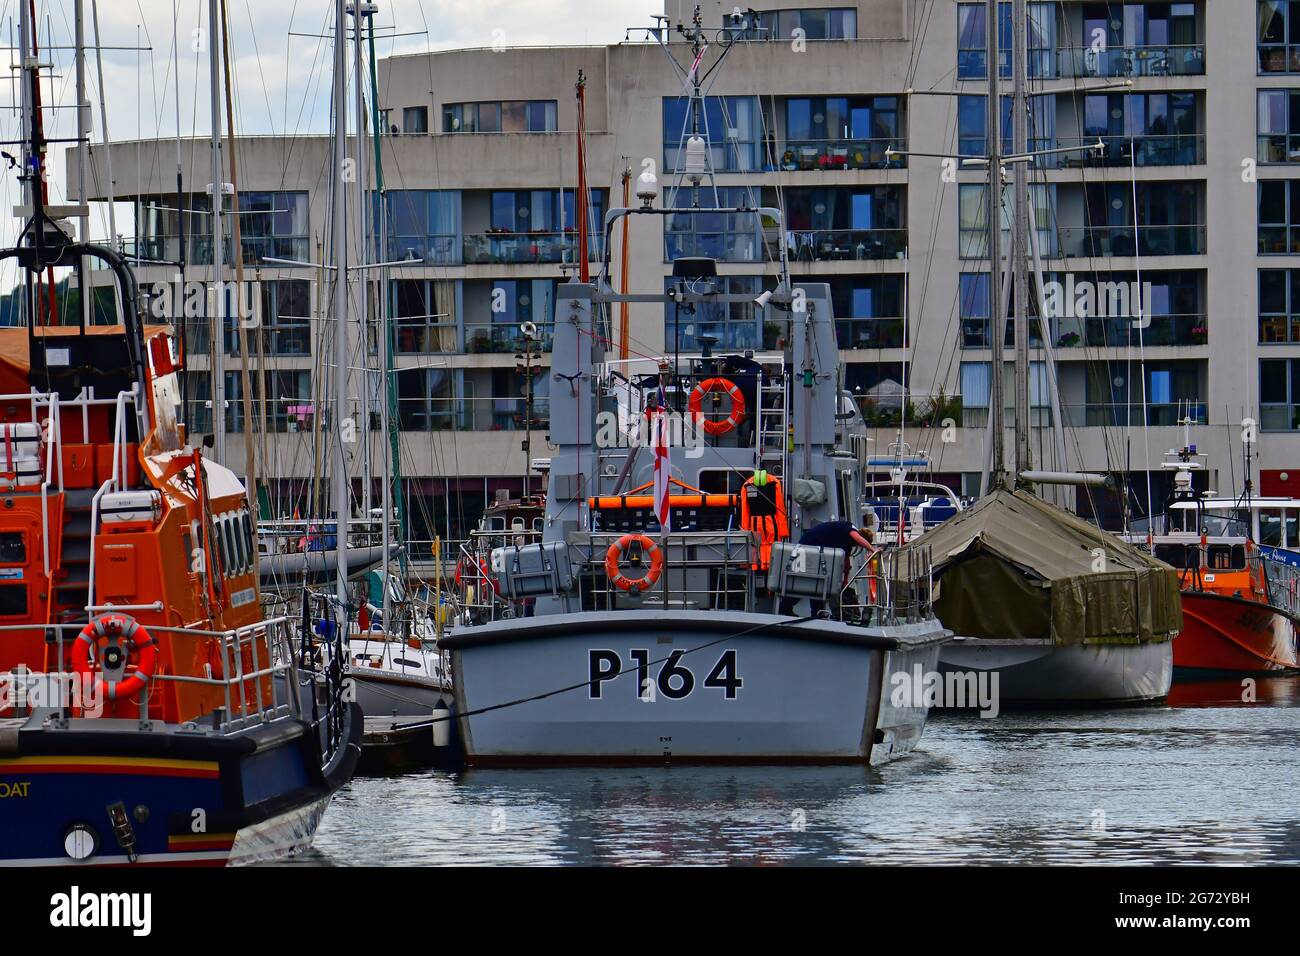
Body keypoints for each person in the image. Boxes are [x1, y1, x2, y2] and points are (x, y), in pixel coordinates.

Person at [779, 519, 875, 616]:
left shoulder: (848, 543)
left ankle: (817, 613)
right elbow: (857, 537)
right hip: (810, 543)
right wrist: (872, 549)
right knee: (806, 581)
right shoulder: (850, 527)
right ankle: (785, 608)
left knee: (818, 583)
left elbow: (846, 565)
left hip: (819, 550)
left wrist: (845, 583)